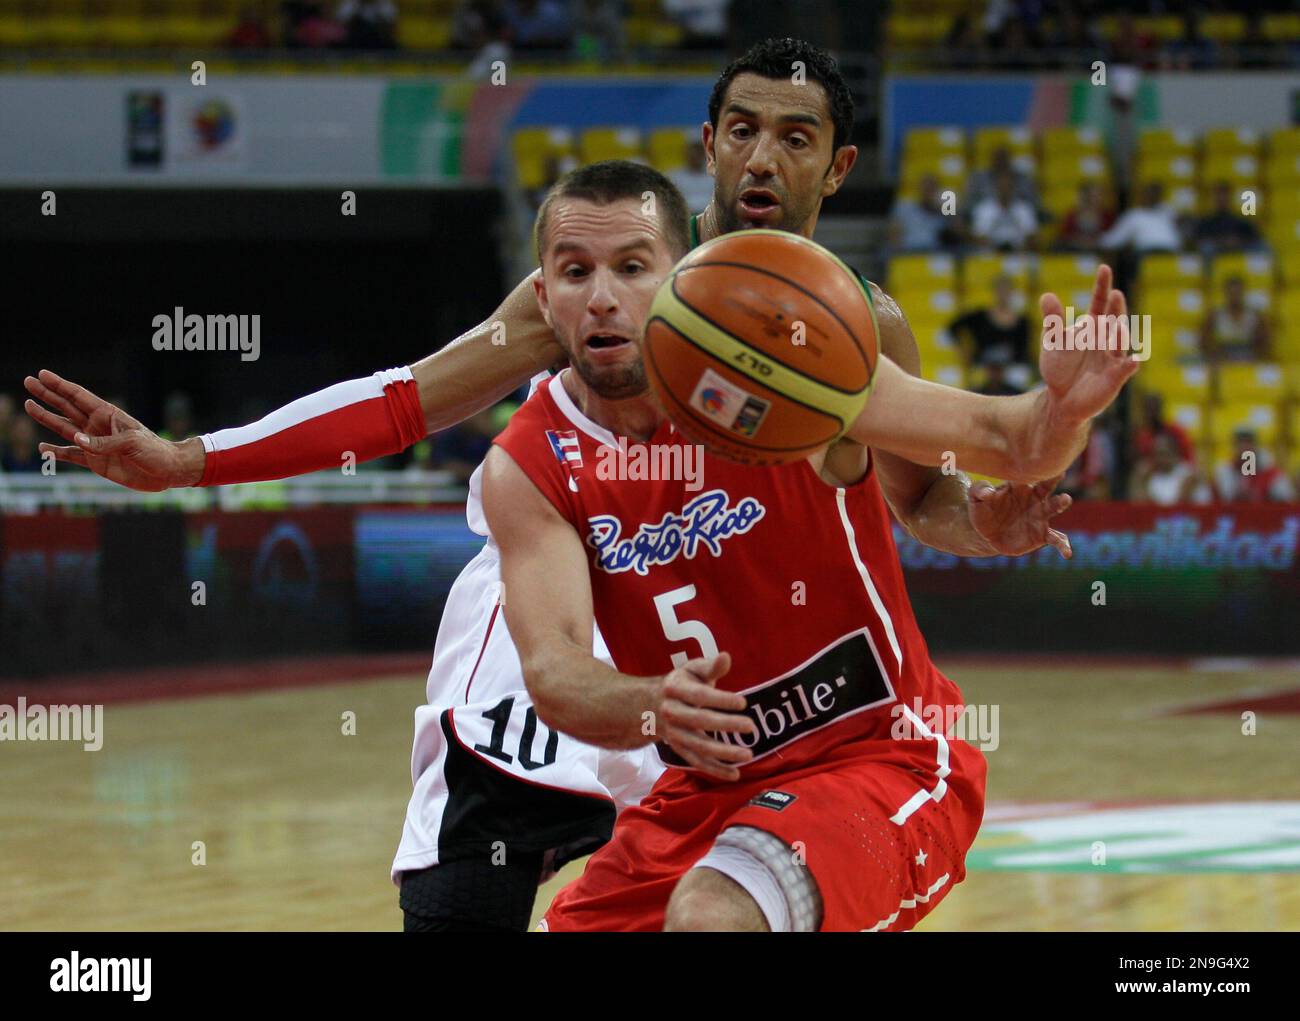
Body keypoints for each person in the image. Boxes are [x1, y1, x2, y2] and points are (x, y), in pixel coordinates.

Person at [24, 38, 1089, 931]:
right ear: (706, 146)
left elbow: (930, 490)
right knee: (468, 899)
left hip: (817, 714)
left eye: (795, 138)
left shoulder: (847, 330)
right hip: (591, 602)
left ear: (837, 167)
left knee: (722, 906)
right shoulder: (604, 282)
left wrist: (993, 515)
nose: (763, 157)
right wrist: (196, 457)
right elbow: (406, 401)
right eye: (744, 130)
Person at [483, 158, 1137, 932]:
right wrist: (651, 704)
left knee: (714, 914)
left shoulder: (789, 370)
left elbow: (1006, 438)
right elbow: (553, 668)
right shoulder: (527, 465)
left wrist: (1061, 411)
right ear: (542, 298)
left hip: (879, 756)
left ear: (680, 275)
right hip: (703, 795)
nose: (601, 296)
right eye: (574, 271)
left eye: (631, 267)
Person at [948, 274, 1032, 386]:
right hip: (983, 369)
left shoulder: (1023, 321)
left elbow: (1025, 352)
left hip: (1012, 372)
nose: (1003, 294)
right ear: (994, 292)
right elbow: (953, 328)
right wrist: (963, 350)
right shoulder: (979, 316)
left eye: (1007, 290)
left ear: (1012, 292)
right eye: (1000, 290)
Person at [1201, 275, 1271, 362]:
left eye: (1237, 292)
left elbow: (1265, 341)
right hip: (1222, 354)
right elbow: (1204, 340)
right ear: (1225, 293)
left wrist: (1257, 355)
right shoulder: (1215, 315)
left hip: (1248, 355)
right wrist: (1215, 354)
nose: (1234, 296)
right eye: (1231, 293)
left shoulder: (1255, 316)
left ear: (1243, 293)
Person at [1213, 429, 1295, 502]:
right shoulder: (1225, 470)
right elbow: (1221, 499)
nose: (1244, 447)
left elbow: (1286, 498)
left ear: (1256, 445)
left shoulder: (1271, 472)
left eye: (1248, 442)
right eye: (1240, 443)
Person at [1130, 433, 1208, 506]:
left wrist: (1186, 493)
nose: (1160, 459)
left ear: (1175, 453)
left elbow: (1204, 505)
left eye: (1164, 453)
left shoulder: (1189, 475)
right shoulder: (1150, 476)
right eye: (1156, 454)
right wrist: (1138, 481)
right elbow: (1140, 507)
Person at [889, 173, 960, 253]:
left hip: (937, 253)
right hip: (909, 253)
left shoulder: (945, 209)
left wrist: (947, 211)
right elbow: (894, 237)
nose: (928, 192)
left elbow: (958, 232)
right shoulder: (904, 207)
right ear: (919, 189)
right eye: (925, 188)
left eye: (932, 188)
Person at [970, 169, 1038, 251]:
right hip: (991, 253)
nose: (1004, 190)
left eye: (1008, 187)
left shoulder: (1023, 209)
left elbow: (1031, 235)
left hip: (1018, 252)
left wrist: (1019, 249)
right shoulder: (984, 209)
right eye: (1001, 187)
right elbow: (979, 236)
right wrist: (996, 248)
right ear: (996, 188)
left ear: (1013, 188)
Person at [1193, 182, 1262, 256]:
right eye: (1219, 196)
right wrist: (1221, 241)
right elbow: (1199, 238)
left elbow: (1253, 235)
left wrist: (1238, 241)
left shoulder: (1239, 220)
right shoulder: (1206, 221)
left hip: (1238, 247)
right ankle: (1209, 268)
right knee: (1207, 247)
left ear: (1230, 198)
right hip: (1216, 249)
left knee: (1260, 246)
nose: (1222, 199)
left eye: (1224, 196)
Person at [1056, 180, 1114, 251]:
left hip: (1098, 249)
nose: (1099, 198)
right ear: (1086, 196)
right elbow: (1064, 234)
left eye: (1101, 194)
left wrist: (1095, 240)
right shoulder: (1073, 214)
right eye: (1094, 195)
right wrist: (1079, 239)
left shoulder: (1107, 215)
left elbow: (1112, 237)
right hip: (1075, 248)